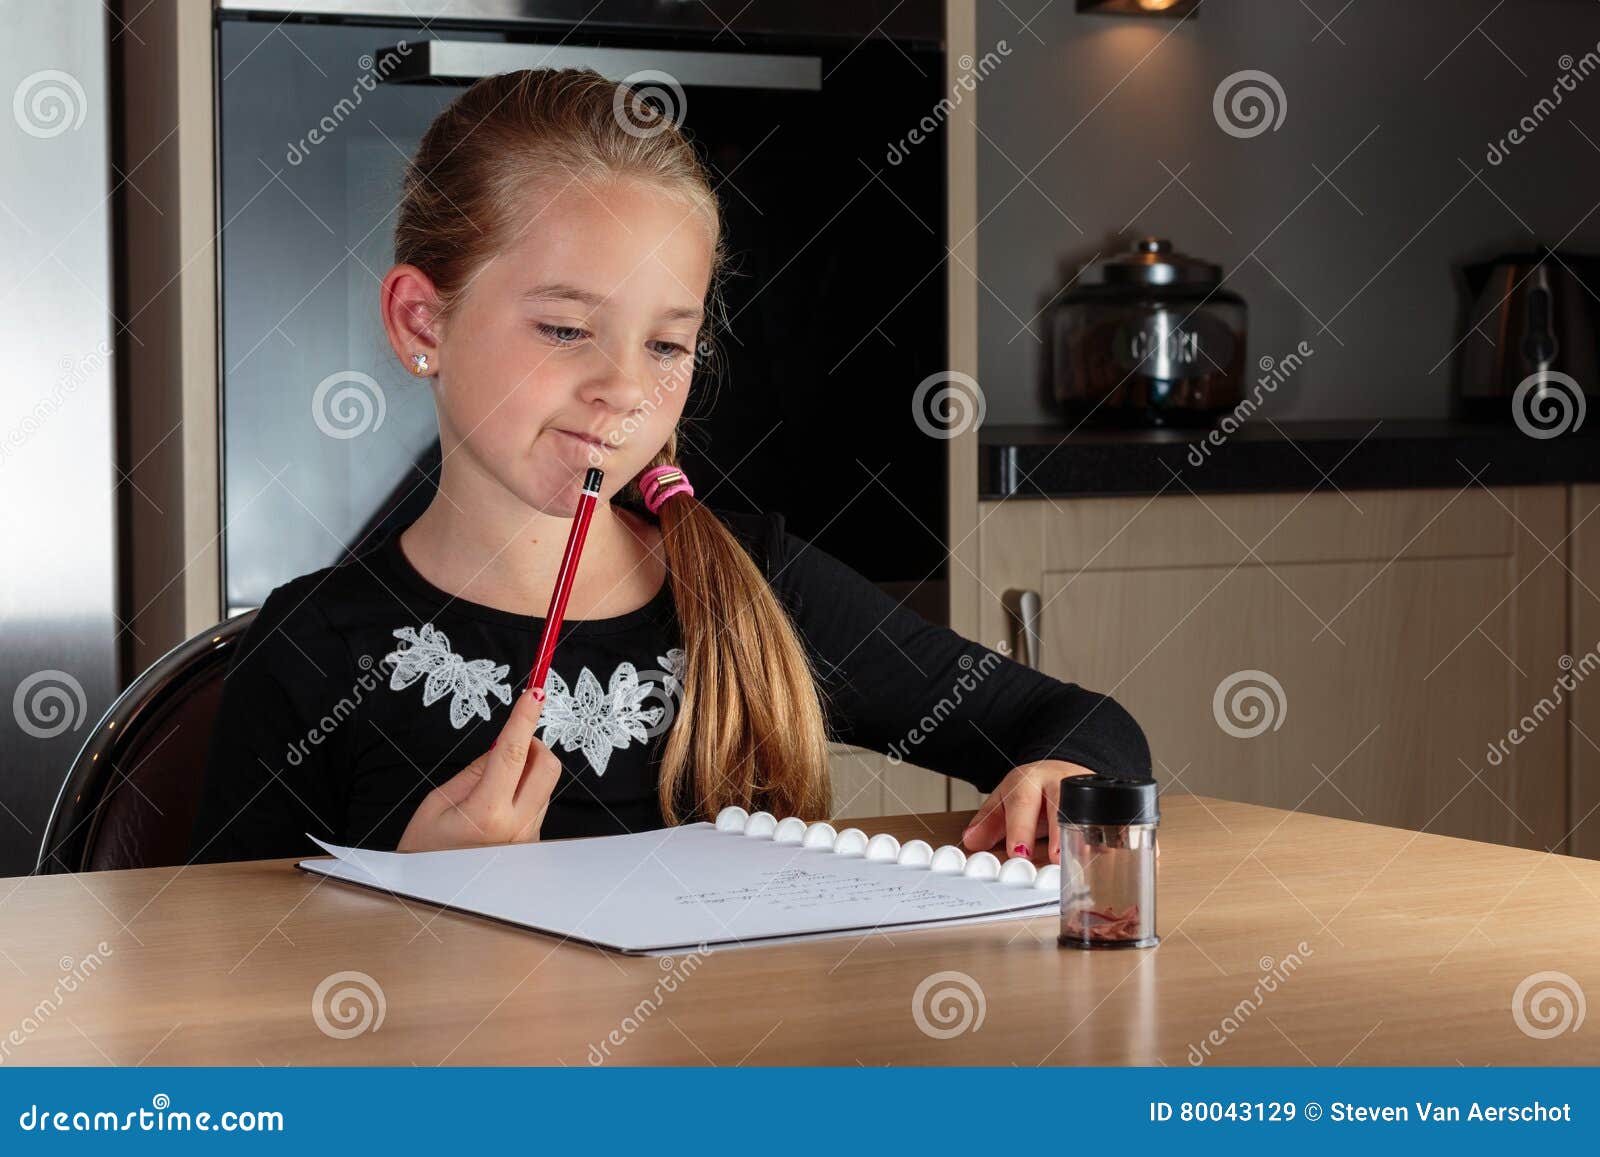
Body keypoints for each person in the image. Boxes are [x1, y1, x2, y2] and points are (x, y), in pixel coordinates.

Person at [187, 68, 1150, 868]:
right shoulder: (310, 654)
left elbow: (1078, 720)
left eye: (665, 346)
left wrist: (1063, 770)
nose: (622, 389)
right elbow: (216, 1016)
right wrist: (412, 905)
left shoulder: (752, 587)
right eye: (566, 329)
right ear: (419, 322)